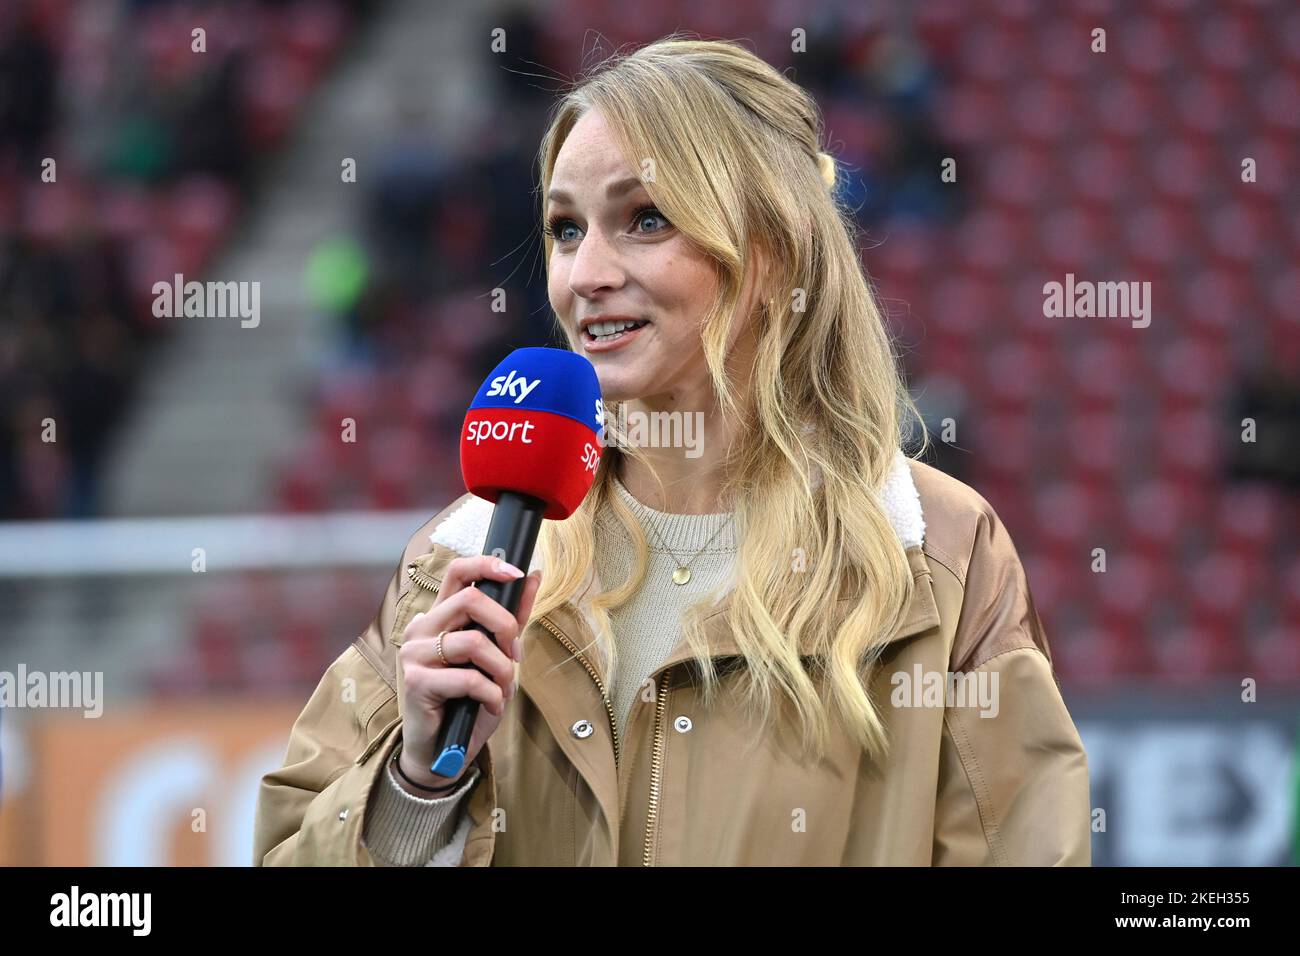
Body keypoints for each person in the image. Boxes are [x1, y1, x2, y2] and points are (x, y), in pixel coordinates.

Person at [253, 36, 1090, 866]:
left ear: (772, 251)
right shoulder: (459, 559)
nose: (586, 273)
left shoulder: (938, 556)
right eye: (566, 228)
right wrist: (411, 788)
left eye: (644, 218)